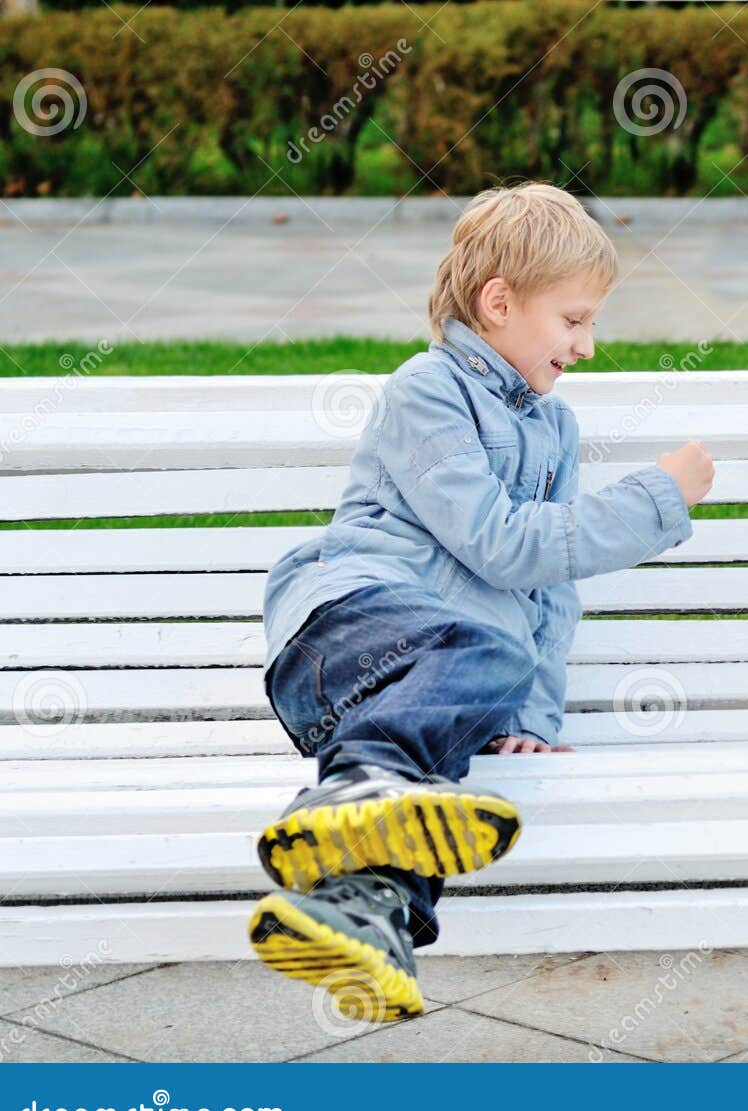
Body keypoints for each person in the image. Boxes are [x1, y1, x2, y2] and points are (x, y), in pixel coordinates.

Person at [250, 182, 715, 1020]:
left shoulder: (555, 430)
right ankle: (354, 788)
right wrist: (657, 498)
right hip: (348, 633)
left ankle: (356, 913)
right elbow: (503, 543)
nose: (588, 346)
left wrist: (530, 718)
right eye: (574, 320)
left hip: (431, 695)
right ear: (499, 304)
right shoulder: (426, 390)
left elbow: (549, 592)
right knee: (484, 657)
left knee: (438, 781)